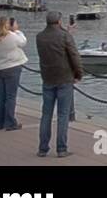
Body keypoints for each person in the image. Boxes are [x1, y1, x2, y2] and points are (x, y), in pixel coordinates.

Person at [35, 11, 83, 158]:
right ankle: (61, 148)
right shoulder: (65, 36)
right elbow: (74, 55)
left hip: (48, 78)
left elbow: (52, 47)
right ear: (59, 21)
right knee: (63, 115)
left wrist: (66, 32)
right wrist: (78, 74)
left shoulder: (40, 37)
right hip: (64, 78)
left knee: (46, 114)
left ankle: (43, 148)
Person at [0, 16, 28, 131]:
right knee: (10, 96)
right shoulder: (11, 36)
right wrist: (17, 30)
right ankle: (10, 122)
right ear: (6, 25)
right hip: (11, 67)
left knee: (0, 95)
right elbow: (23, 42)